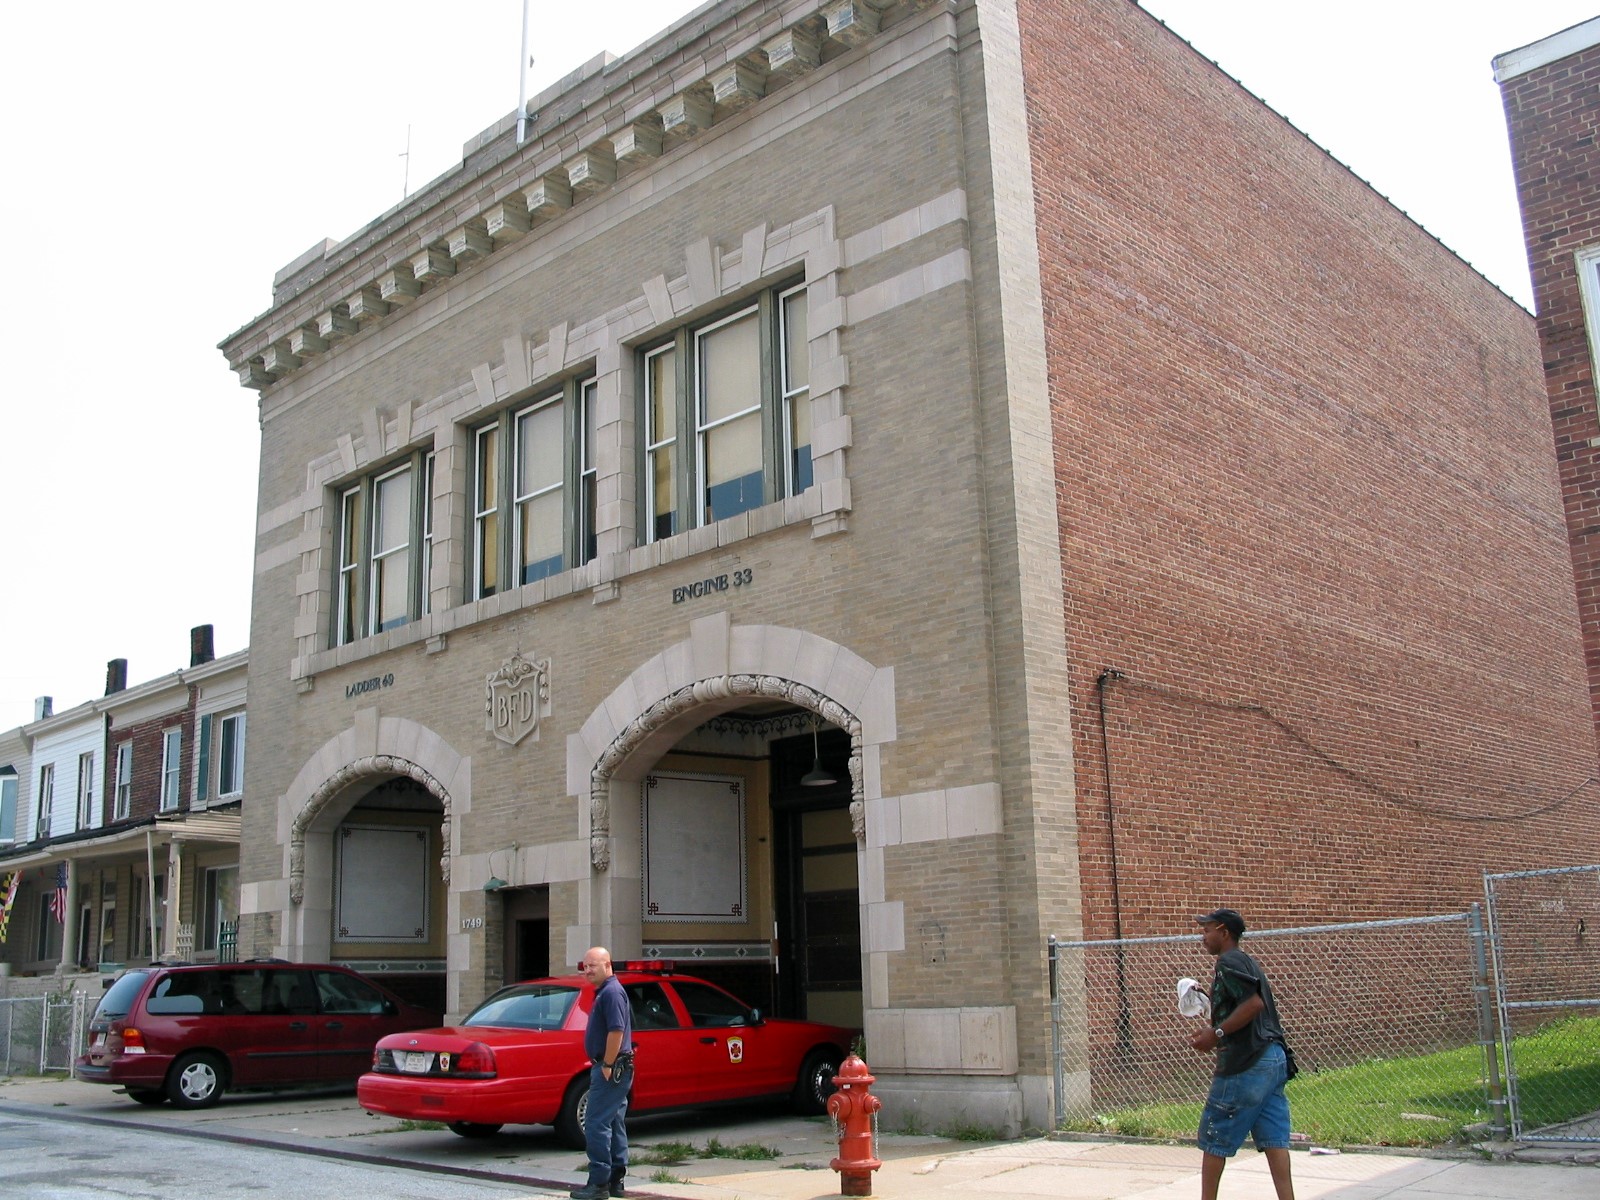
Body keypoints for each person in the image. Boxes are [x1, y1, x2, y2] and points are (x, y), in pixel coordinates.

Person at [1188, 908, 1294, 1200]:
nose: (1203, 937)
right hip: (1273, 1059)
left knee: (1214, 1136)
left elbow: (1253, 1005)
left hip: (1247, 1063)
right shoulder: (1247, 962)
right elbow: (1246, 1004)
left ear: (1224, 932)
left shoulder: (1229, 961)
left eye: (1207, 930)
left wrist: (1216, 1033)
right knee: (1274, 1140)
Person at [571, 946, 634, 1200]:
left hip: (613, 1067)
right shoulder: (608, 991)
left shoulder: (612, 993)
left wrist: (607, 1064)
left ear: (608, 966)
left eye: (593, 965)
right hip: (615, 1066)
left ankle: (598, 1184)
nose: (587, 970)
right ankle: (616, 1180)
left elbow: (616, 1031)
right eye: (585, 966)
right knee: (614, 1121)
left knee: (596, 1123)